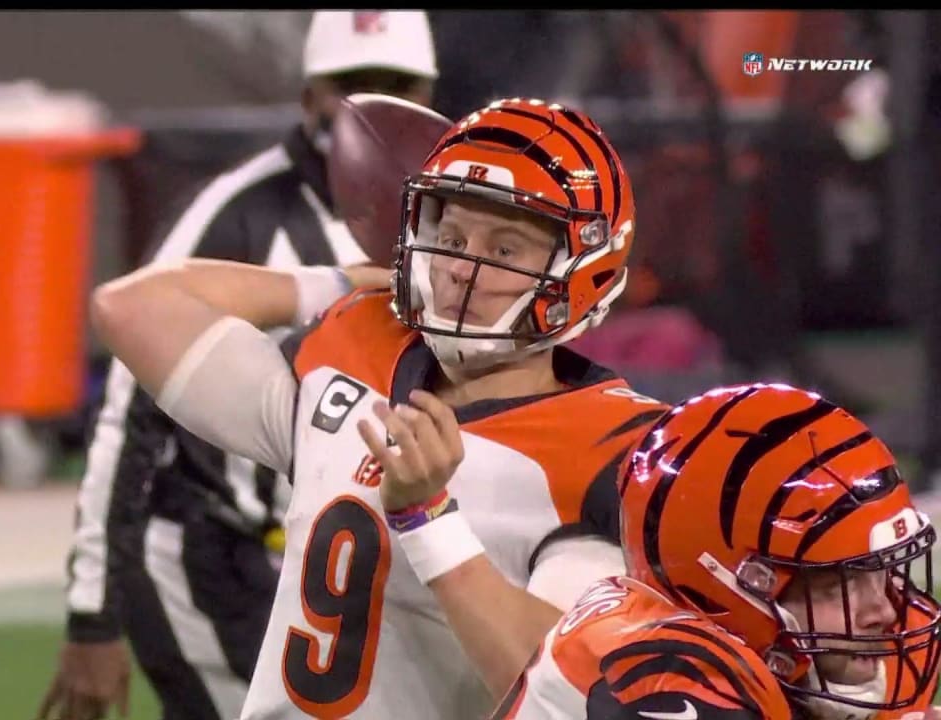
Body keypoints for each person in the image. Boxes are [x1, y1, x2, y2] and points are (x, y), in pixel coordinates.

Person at [91, 96, 667, 718]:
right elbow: (132, 308)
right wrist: (337, 281)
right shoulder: (359, 348)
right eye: (450, 236)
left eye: (504, 250)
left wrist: (430, 523)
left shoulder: (614, 448)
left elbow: (562, 693)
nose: (458, 269)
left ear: (587, 271)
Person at [37, 11, 438, 720]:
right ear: (310, 94)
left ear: (429, 90)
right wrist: (94, 614)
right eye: (351, 84)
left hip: (343, 554)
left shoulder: (448, 220)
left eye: (393, 85)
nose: (370, 105)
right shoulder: (236, 216)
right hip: (213, 554)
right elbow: (128, 418)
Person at [489, 382, 941, 720]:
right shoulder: (669, 668)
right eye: (831, 585)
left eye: (878, 573)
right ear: (726, 583)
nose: (882, 611)